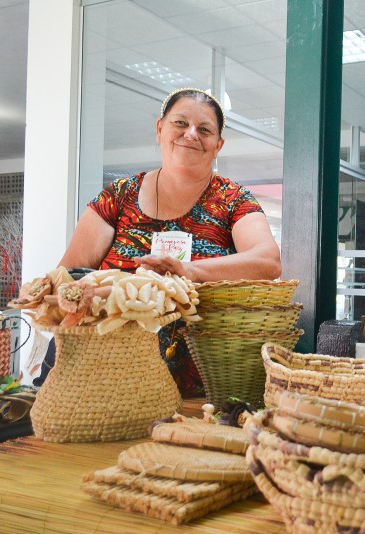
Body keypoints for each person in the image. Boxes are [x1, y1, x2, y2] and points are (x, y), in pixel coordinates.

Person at [53, 87, 282, 397]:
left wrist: (190, 271)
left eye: (204, 130)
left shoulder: (232, 199)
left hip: (199, 389)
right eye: (180, 123)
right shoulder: (118, 197)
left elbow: (268, 262)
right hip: (105, 382)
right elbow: (67, 276)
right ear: (160, 129)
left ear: (218, 145)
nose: (191, 134)